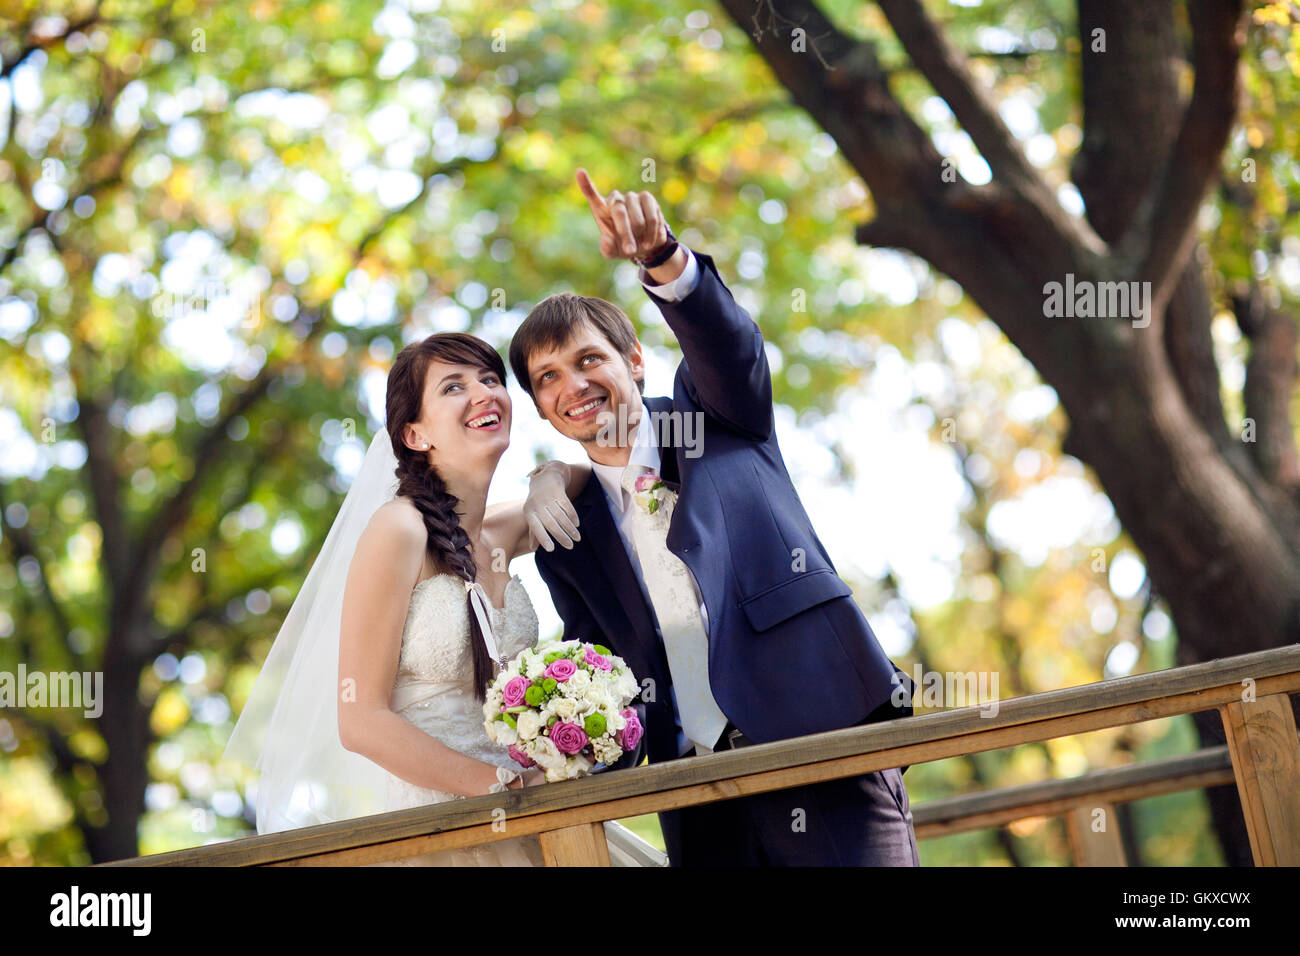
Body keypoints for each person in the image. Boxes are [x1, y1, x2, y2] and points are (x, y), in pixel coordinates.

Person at [509, 169, 920, 866]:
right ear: (543, 408)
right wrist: (564, 743)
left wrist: (661, 256)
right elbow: (608, 676)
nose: (572, 385)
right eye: (547, 378)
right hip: (694, 796)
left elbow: (728, 346)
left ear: (634, 361)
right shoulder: (565, 538)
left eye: (588, 360)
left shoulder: (719, 419)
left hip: (825, 747)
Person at [224, 331, 658, 866]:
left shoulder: (501, 531)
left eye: (491, 379)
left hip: (530, 809)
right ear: (414, 433)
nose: (483, 394)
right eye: (454, 387)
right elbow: (360, 718)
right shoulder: (398, 530)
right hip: (444, 824)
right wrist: (503, 785)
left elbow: (592, 474)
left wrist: (548, 478)